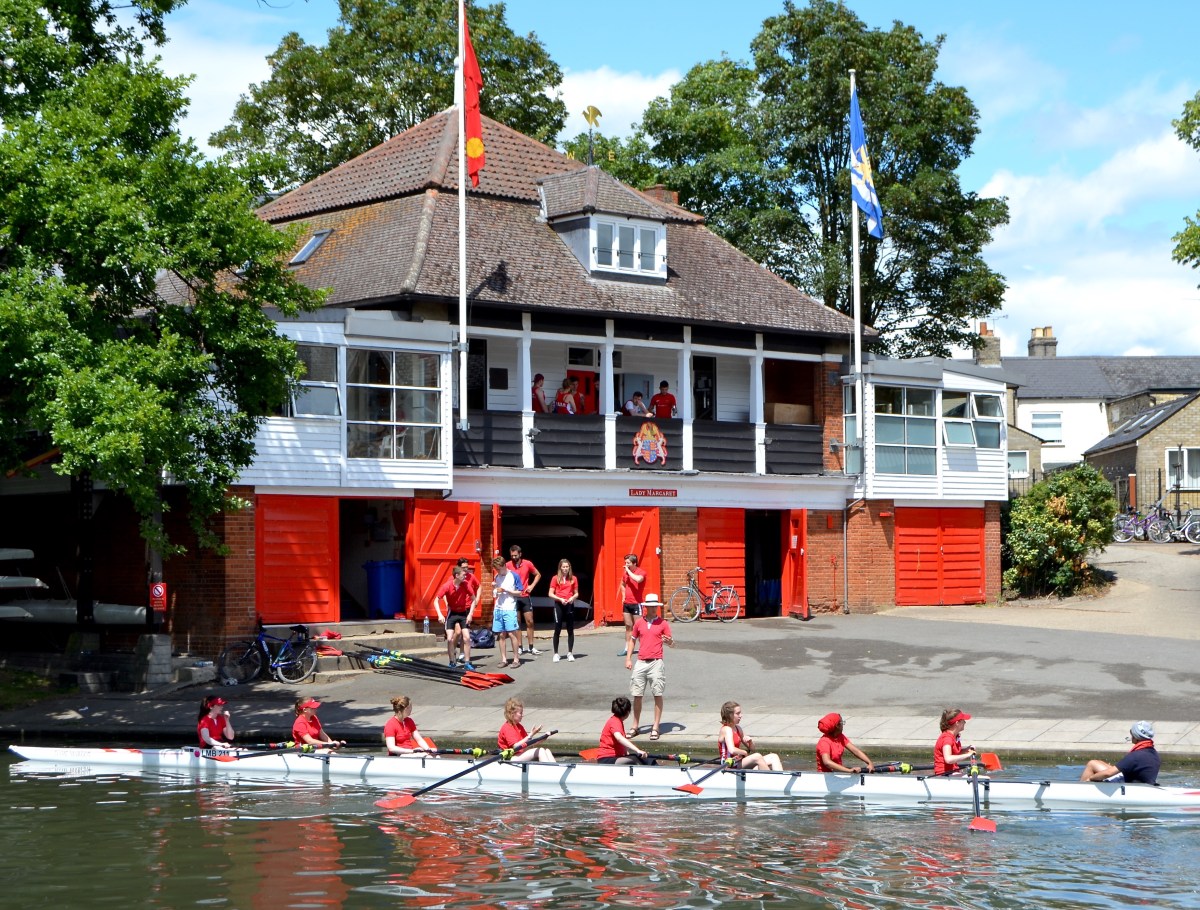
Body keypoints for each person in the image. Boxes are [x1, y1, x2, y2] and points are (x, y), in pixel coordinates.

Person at [625, 596, 673, 740]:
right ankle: (635, 725)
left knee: (657, 693)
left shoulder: (663, 623)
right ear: (646, 607)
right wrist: (628, 658)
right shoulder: (639, 623)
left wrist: (669, 641)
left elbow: (671, 642)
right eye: (650, 606)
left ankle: (656, 726)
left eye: (655, 606)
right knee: (637, 694)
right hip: (641, 661)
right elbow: (632, 640)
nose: (653, 608)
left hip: (656, 662)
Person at [1080, 721, 1161, 784]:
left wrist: (1091, 778)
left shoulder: (1136, 756)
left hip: (1130, 786)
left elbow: (1108, 774)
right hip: (1140, 782)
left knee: (1091, 764)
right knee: (1097, 763)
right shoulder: (1153, 753)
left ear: (1136, 736)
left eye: (1132, 732)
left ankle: (1081, 789)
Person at [433, 565, 476, 670]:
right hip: (452, 613)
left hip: (462, 613)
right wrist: (439, 614)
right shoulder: (447, 586)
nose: (465, 577)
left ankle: (467, 662)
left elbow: (473, 599)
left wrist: (470, 614)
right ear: (456, 575)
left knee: (466, 637)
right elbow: (436, 600)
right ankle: (452, 661)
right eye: (463, 575)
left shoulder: (465, 585)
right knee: (450, 639)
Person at [719, 701, 783, 771]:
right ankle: (771, 779)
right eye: (737, 713)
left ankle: (781, 778)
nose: (741, 715)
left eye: (740, 713)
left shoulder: (738, 728)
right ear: (730, 715)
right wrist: (744, 752)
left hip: (738, 761)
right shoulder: (726, 729)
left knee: (773, 757)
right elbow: (732, 750)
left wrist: (750, 742)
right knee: (757, 756)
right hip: (729, 764)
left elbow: (752, 749)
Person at [506, 545, 542, 656]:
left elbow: (538, 574)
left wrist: (531, 586)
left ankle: (531, 647)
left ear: (520, 554)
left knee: (529, 621)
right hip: (513, 597)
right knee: (517, 622)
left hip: (525, 596)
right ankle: (520, 647)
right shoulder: (507, 565)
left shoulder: (527, 563)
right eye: (512, 555)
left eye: (515, 555)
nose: (514, 557)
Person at [497, 697, 556, 763]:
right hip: (510, 758)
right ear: (512, 714)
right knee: (540, 751)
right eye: (520, 713)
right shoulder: (507, 728)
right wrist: (530, 735)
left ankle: (557, 769)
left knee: (547, 750)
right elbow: (516, 746)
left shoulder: (519, 727)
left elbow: (529, 743)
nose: (522, 715)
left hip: (518, 755)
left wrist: (544, 737)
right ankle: (550, 770)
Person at [597, 696, 652, 765]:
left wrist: (625, 751)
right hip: (607, 759)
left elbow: (618, 742)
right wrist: (637, 750)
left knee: (642, 758)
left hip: (615, 757)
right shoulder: (615, 722)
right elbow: (619, 738)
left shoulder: (616, 720)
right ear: (628, 712)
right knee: (635, 759)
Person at [491, 555, 522, 668]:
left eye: (499, 568)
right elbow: (494, 594)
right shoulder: (497, 577)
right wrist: (493, 589)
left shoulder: (513, 576)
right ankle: (504, 659)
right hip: (499, 608)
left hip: (509, 607)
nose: (498, 571)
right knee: (501, 634)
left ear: (504, 565)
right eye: (496, 569)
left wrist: (507, 590)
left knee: (511, 633)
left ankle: (516, 659)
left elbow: (520, 592)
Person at [548, 558, 579, 662]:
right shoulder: (555, 578)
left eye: (567, 567)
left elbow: (576, 593)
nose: (565, 569)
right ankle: (556, 654)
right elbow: (550, 593)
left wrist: (572, 598)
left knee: (570, 629)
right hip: (559, 605)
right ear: (560, 567)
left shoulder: (573, 578)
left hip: (569, 605)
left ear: (569, 567)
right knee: (558, 628)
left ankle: (570, 653)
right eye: (563, 567)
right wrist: (560, 599)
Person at [933, 708, 976, 775]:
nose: (965, 722)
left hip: (952, 773)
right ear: (957, 723)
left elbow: (954, 753)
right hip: (944, 775)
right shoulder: (947, 739)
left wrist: (965, 750)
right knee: (986, 779)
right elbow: (948, 759)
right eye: (963, 720)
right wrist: (967, 755)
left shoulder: (954, 736)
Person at [617, 553, 645, 657]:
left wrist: (628, 571)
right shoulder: (625, 574)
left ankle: (643, 648)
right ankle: (627, 648)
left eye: (628, 563)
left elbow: (638, 579)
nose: (626, 565)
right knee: (628, 626)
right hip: (627, 603)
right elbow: (623, 584)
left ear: (634, 563)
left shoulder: (641, 572)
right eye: (625, 563)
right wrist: (623, 596)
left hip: (637, 603)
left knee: (639, 627)